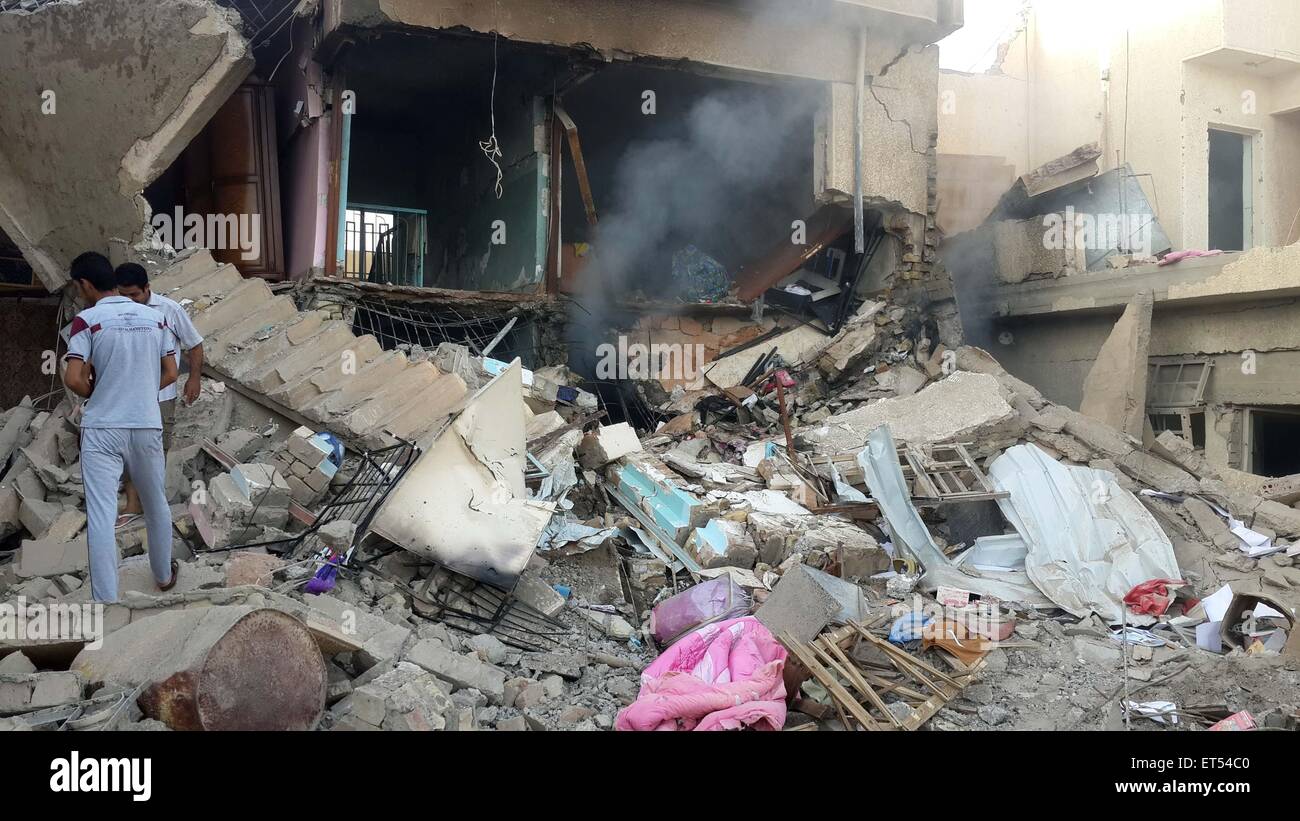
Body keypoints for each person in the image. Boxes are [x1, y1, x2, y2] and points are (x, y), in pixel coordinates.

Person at [62, 252, 178, 602]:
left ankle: (107, 602)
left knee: (100, 513)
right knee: (156, 502)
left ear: (84, 284)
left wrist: (98, 391)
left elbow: (73, 377)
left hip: (103, 428)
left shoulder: (87, 320)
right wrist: (140, 390)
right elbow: (172, 373)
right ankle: (162, 576)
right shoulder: (154, 319)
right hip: (146, 424)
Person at [114, 262, 205, 527]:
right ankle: (133, 505)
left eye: (135, 295)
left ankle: (152, 504)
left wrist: (195, 379)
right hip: (127, 394)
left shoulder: (170, 310)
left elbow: (195, 345)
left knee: (156, 449)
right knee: (130, 448)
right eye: (124, 295)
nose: (130, 301)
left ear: (147, 288)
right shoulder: (117, 312)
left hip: (161, 395)